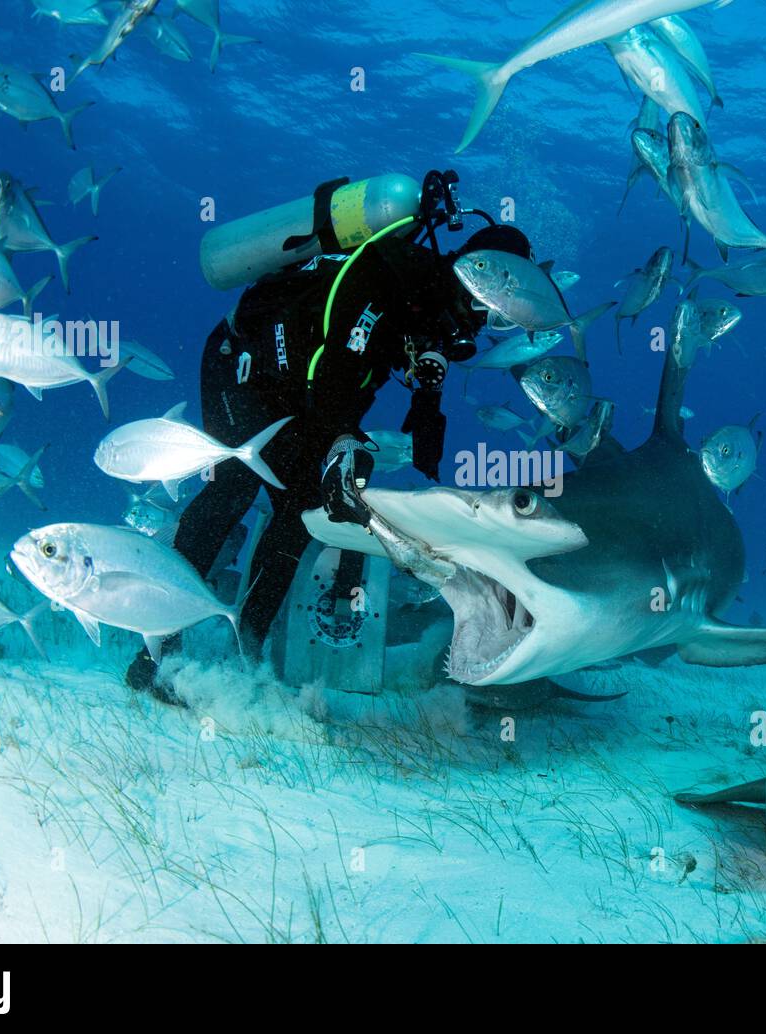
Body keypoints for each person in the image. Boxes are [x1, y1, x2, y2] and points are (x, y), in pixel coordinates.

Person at [125, 207, 535, 701]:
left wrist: (425, 409)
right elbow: (340, 360)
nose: (488, 320)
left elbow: (396, 370)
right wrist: (345, 438)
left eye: (503, 317)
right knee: (231, 489)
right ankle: (154, 654)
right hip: (245, 364)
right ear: (475, 270)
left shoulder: (438, 314)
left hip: (307, 400)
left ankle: (247, 649)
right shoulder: (389, 273)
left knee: (298, 514)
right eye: (492, 304)